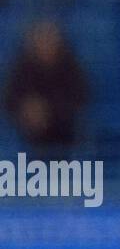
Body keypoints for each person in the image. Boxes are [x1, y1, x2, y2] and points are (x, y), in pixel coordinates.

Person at [3, 20, 89, 157]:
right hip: (27, 130)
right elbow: (9, 100)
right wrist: (26, 109)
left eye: (50, 39)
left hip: (64, 130)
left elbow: (80, 97)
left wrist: (48, 110)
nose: (45, 44)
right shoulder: (21, 68)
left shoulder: (71, 67)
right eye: (41, 39)